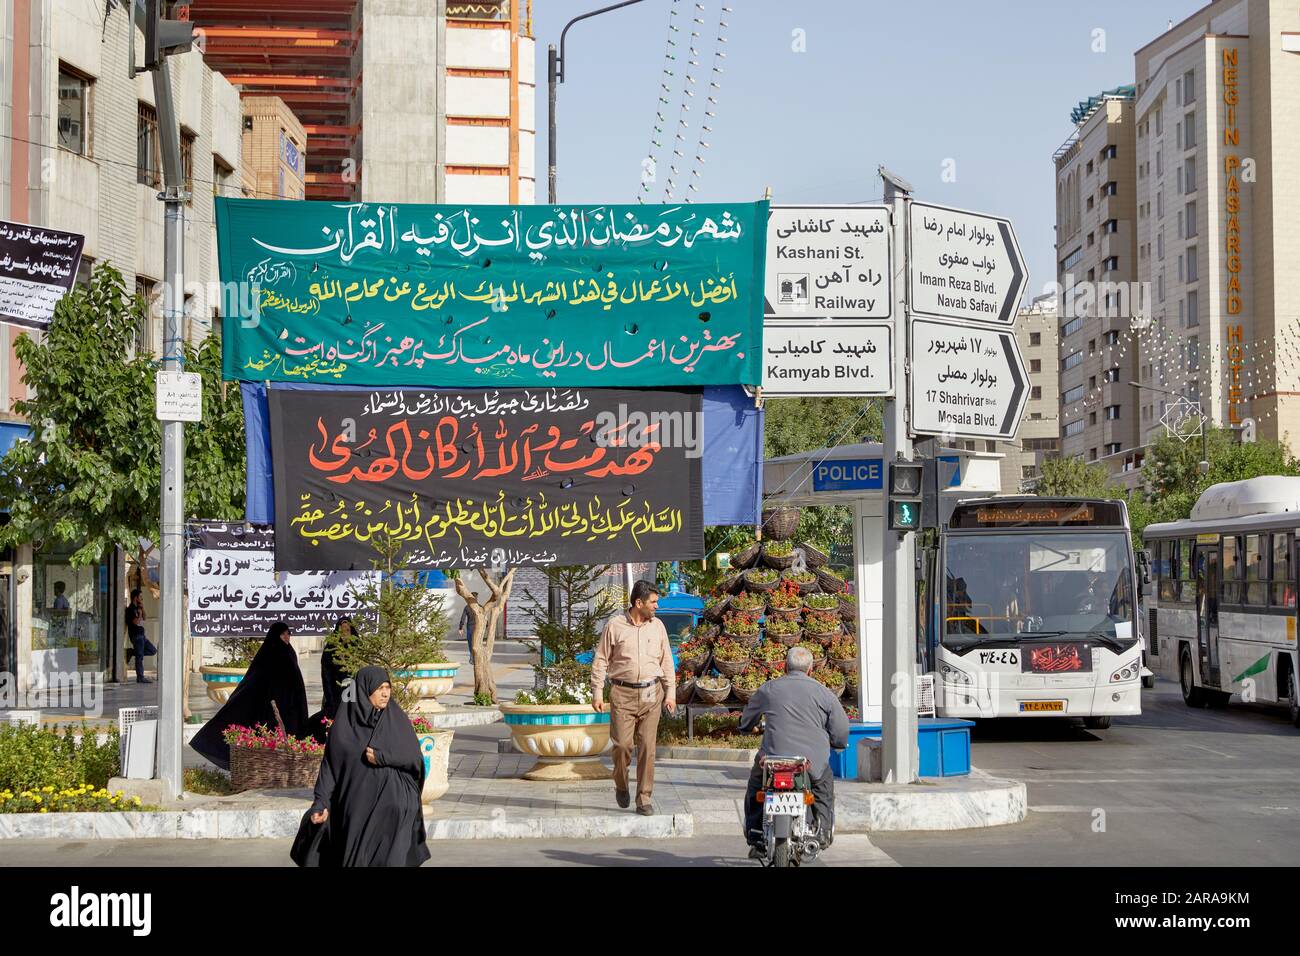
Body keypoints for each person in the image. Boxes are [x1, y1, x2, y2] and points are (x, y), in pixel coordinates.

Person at [292, 666, 430, 868]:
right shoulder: (344, 726)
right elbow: (330, 768)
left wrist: (383, 757)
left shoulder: (396, 719)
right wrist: (320, 803)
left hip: (393, 809)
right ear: (364, 690)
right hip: (355, 810)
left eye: (388, 687)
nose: (385, 693)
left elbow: (414, 759)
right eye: (380, 688)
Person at [738, 645, 850, 858]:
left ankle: (755, 835)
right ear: (810, 669)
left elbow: (747, 719)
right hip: (811, 764)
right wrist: (838, 742)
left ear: (784, 667)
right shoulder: (824, 693)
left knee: (755, 787)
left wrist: (747, 727)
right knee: (823, 789)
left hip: (772, 761)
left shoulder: (768, 689)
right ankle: (822, 833)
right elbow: (841, 729)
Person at [590, 579, 676, 816]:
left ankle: (644, 798)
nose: (657, 606)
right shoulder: (614, 626)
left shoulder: (658, 627)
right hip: (622, 695)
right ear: (639, 603)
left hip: (652, 694)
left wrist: (670, 694)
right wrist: (597, 691)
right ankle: (621, 784)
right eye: (653, 602)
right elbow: (600, 660)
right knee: (622, 747)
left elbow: (667, 661)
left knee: (648, 748)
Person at [190, 621, 309, 770]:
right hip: (268, 706)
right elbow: (256, 678)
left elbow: (295, 680)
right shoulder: (268, 653)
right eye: (282, 634)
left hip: (288, 706)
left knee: (287, 738)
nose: (286, 637)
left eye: (288, 634)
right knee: (266, 738)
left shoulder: (289, 652)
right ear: (275, 635)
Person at [123, 588, 157, 684]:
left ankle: (131, 652)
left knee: (153, 650)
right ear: (135, 598)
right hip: (136, 635)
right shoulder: (130, 609)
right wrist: (139, 614)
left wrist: (142, 609)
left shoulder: (139, 608)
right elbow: (135, 622)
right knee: (139, 657)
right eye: (140, 597)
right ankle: (140, 677)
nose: (142, 599)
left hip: (142, 635)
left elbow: (144, 618)